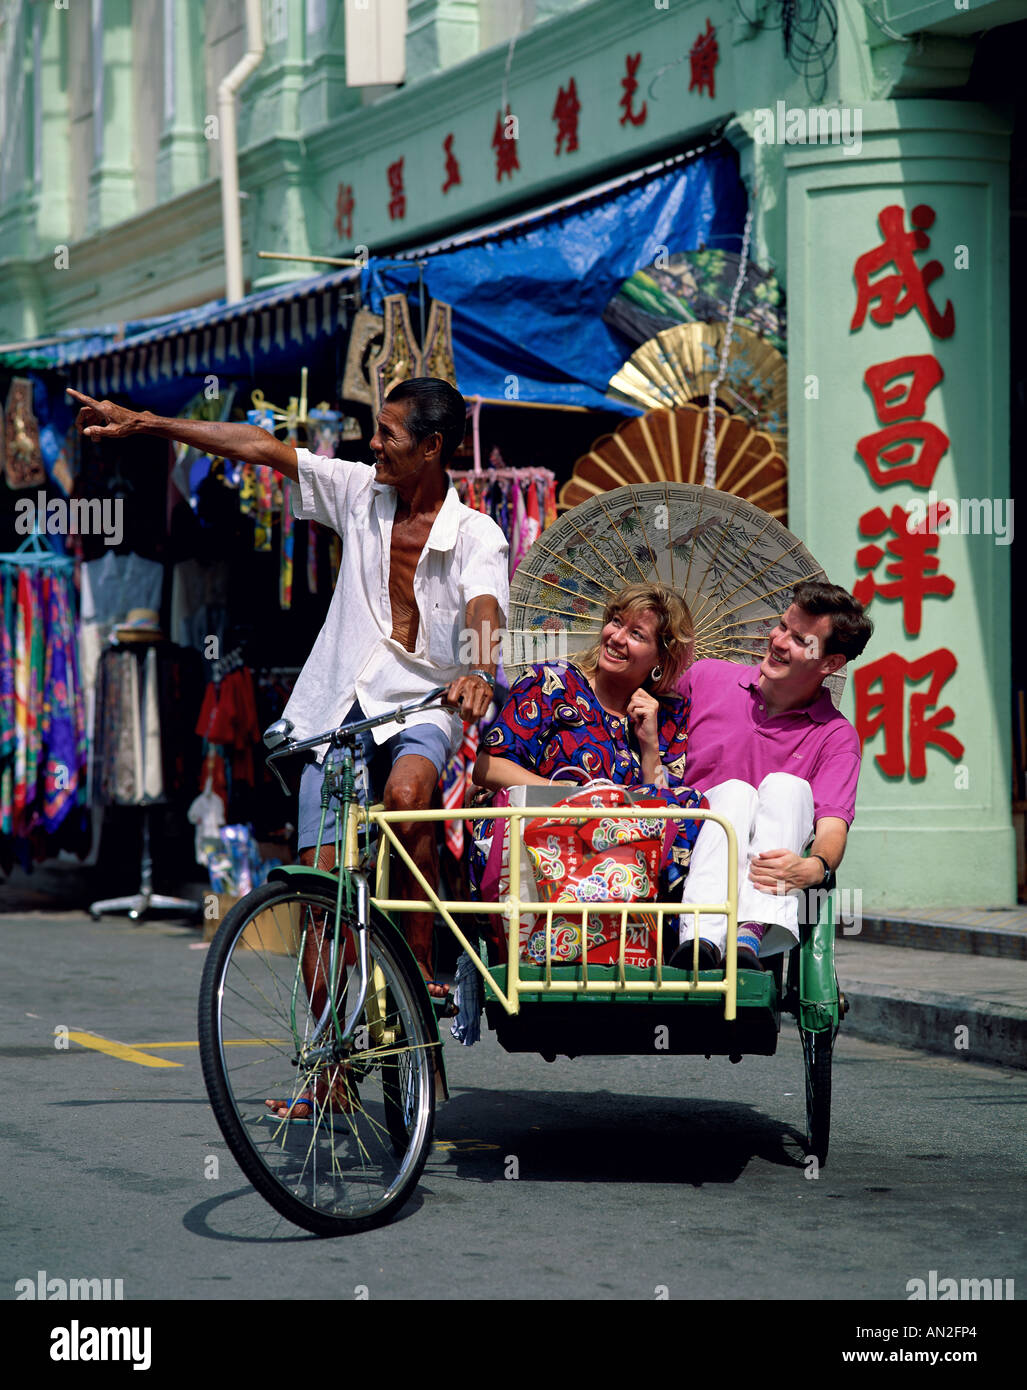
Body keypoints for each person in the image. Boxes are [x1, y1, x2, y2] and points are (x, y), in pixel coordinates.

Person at [69, 378, 509, 1020]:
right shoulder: (359, 491)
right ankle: (326, 1061)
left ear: (432, 447)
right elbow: (260, 446)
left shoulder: (477, 533)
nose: (373, 443)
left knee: (410, 797)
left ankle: (417, 973)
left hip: (421, 703)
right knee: (319, 884)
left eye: (388, 433)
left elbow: (484, 605)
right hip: (333, 709)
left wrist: (478, 669)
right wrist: (147, 423)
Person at [669, 580, 873, 971]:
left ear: (831, 664)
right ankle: (702, 937)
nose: (778, 641)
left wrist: (815, 866)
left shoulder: (836, 736)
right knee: (734, 794)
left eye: (799, 639)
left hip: (768, 877)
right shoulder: (704, 678)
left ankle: (750, 930)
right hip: (687, 853)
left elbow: (832, 829)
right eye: (781, 626)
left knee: (786, 786)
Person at [471, 582, 708, 908]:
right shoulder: (552, 682)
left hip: (626, 868)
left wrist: (650, 744)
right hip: (544, 847)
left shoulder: (665, 716)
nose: (617, 637)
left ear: (661, 659)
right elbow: (488, 766)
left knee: (691, 802)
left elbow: (664, 813)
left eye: (637, 635)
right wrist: (577, 802)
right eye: (615, 620)